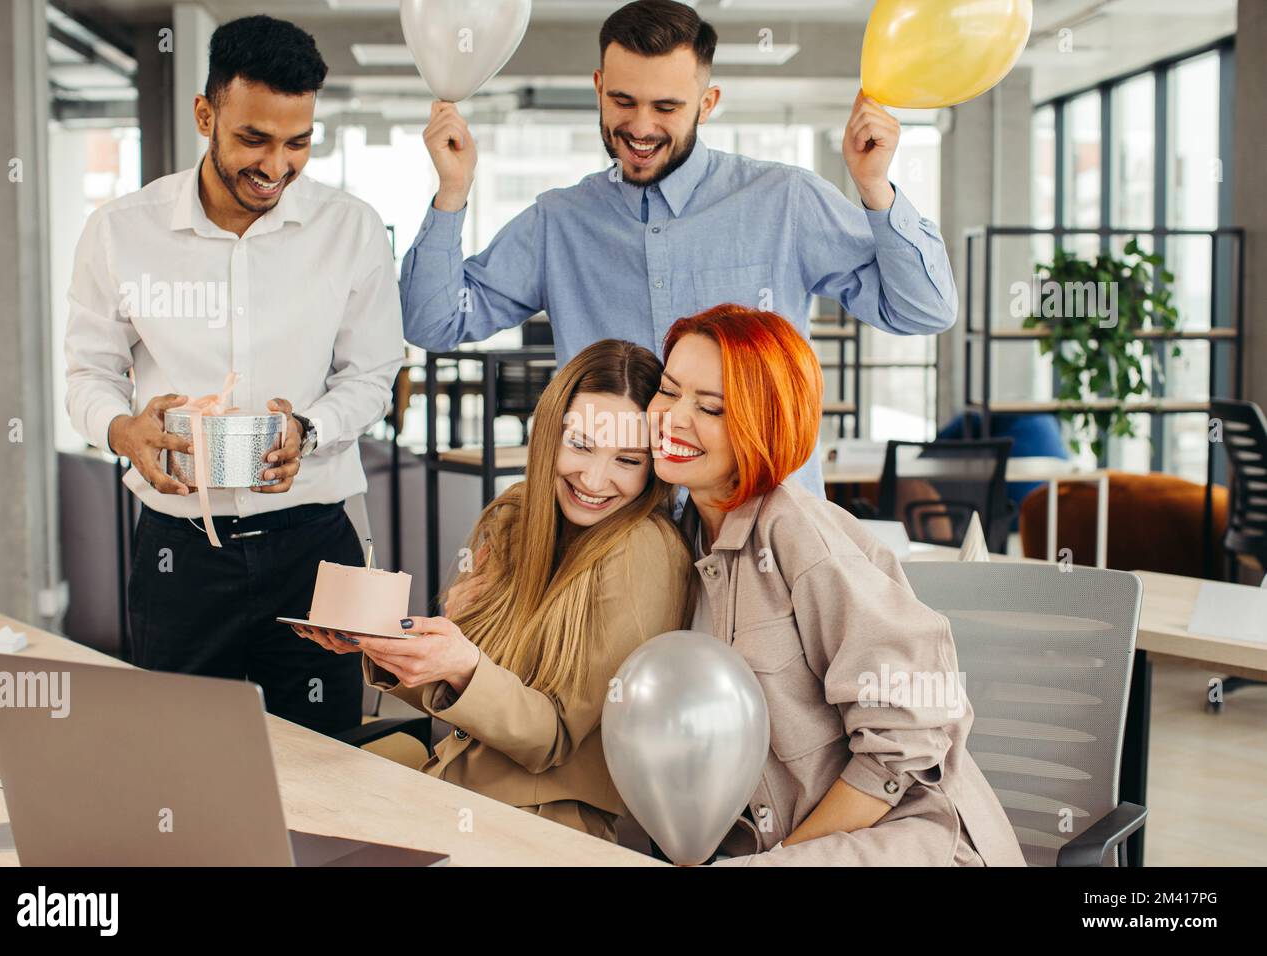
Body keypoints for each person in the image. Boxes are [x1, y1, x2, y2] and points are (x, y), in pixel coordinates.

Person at [401, 0, 957, 495]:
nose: (640, 127)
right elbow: (432, 324)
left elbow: (923, 310)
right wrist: (452, 192)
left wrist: (875, 188)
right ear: (598, 87)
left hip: (758, 525)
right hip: (618, 531)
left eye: (666, 107)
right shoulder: (559, 219)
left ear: (707, 102)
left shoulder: (784, 199)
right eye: (623, 101)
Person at [64, 15, 404, 735]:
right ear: (205, 115)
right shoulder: (122, 232)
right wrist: (124, 430)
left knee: (331, 767)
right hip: (179, 552)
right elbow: (87, 372)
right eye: (253, 138)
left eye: (298, 143)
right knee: (180, 765)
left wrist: (309, 429)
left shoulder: (351, 229)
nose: (276, 166)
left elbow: (373, 374)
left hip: (315, 542)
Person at [648, 304, 1025, 866]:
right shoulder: (675, 536)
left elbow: (908, 736)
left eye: (710, 407)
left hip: (904, 837)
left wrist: (781, 860)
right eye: (667, 390)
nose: (673, 418)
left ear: (762, 424)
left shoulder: (796, 533)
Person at [292, 340, 691, 841]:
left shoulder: (644, 550)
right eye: (582, 444)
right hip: (453, 791)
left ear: (652, 466)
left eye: (627, 461)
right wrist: (385, 649)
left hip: (542, 826)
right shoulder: (518, 517)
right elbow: (464, 698)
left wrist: (462, 665)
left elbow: (555, 739)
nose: (594, 478)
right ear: (550, 435)